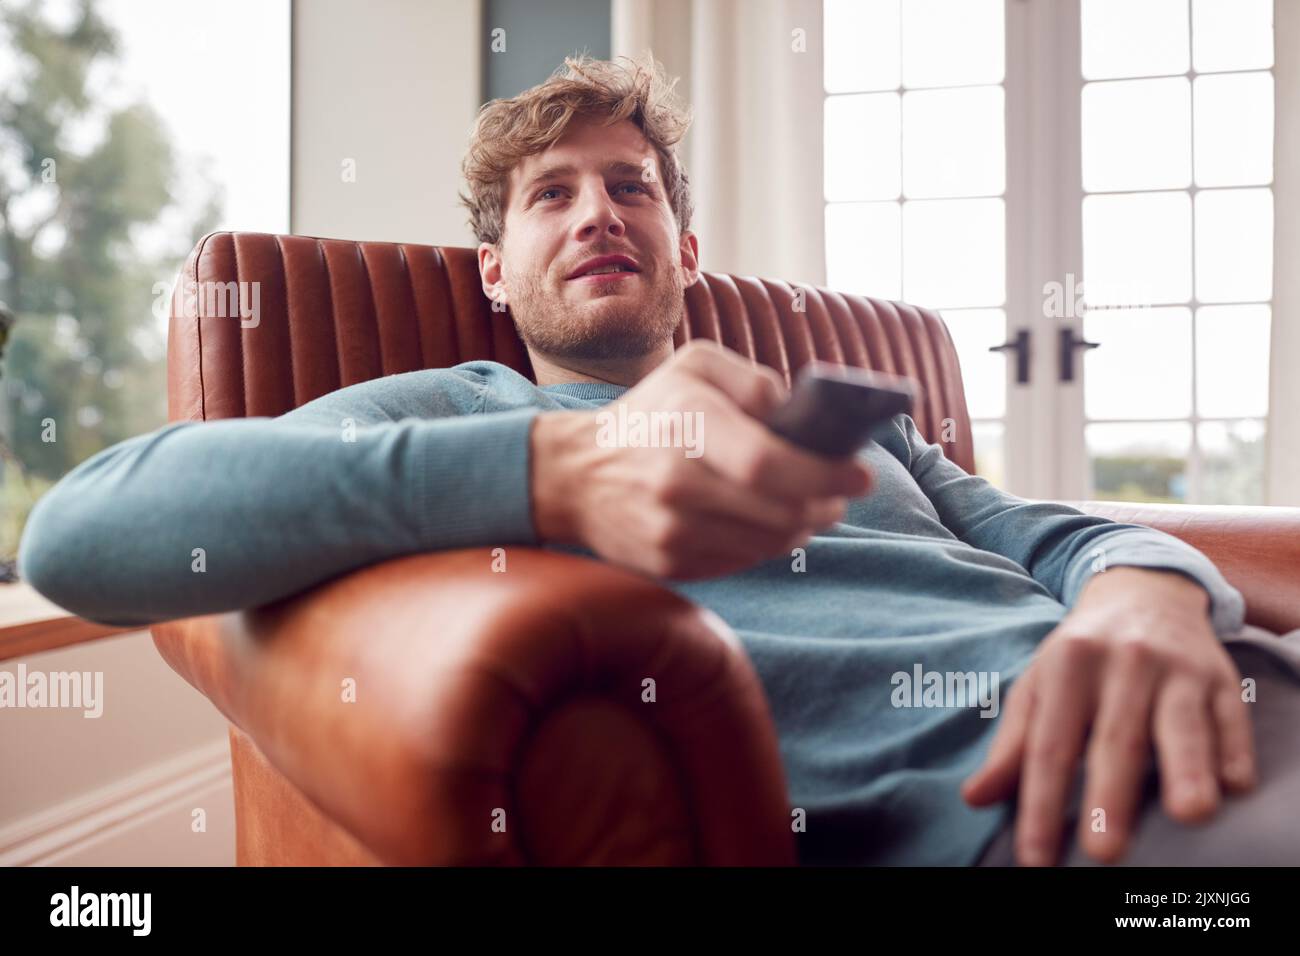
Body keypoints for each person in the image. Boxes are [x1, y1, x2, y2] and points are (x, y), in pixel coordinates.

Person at [18, 54, 1300, 867]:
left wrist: (1148, 588)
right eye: (552, 194)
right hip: (1049, 799)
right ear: (492, 267)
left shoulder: (837, 414)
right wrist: (560, 474)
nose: (598, 214)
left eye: (631, 187)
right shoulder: (450, 411)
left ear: (687, 248)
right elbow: (84, 532)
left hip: (1226, 686)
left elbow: (1041, 528)